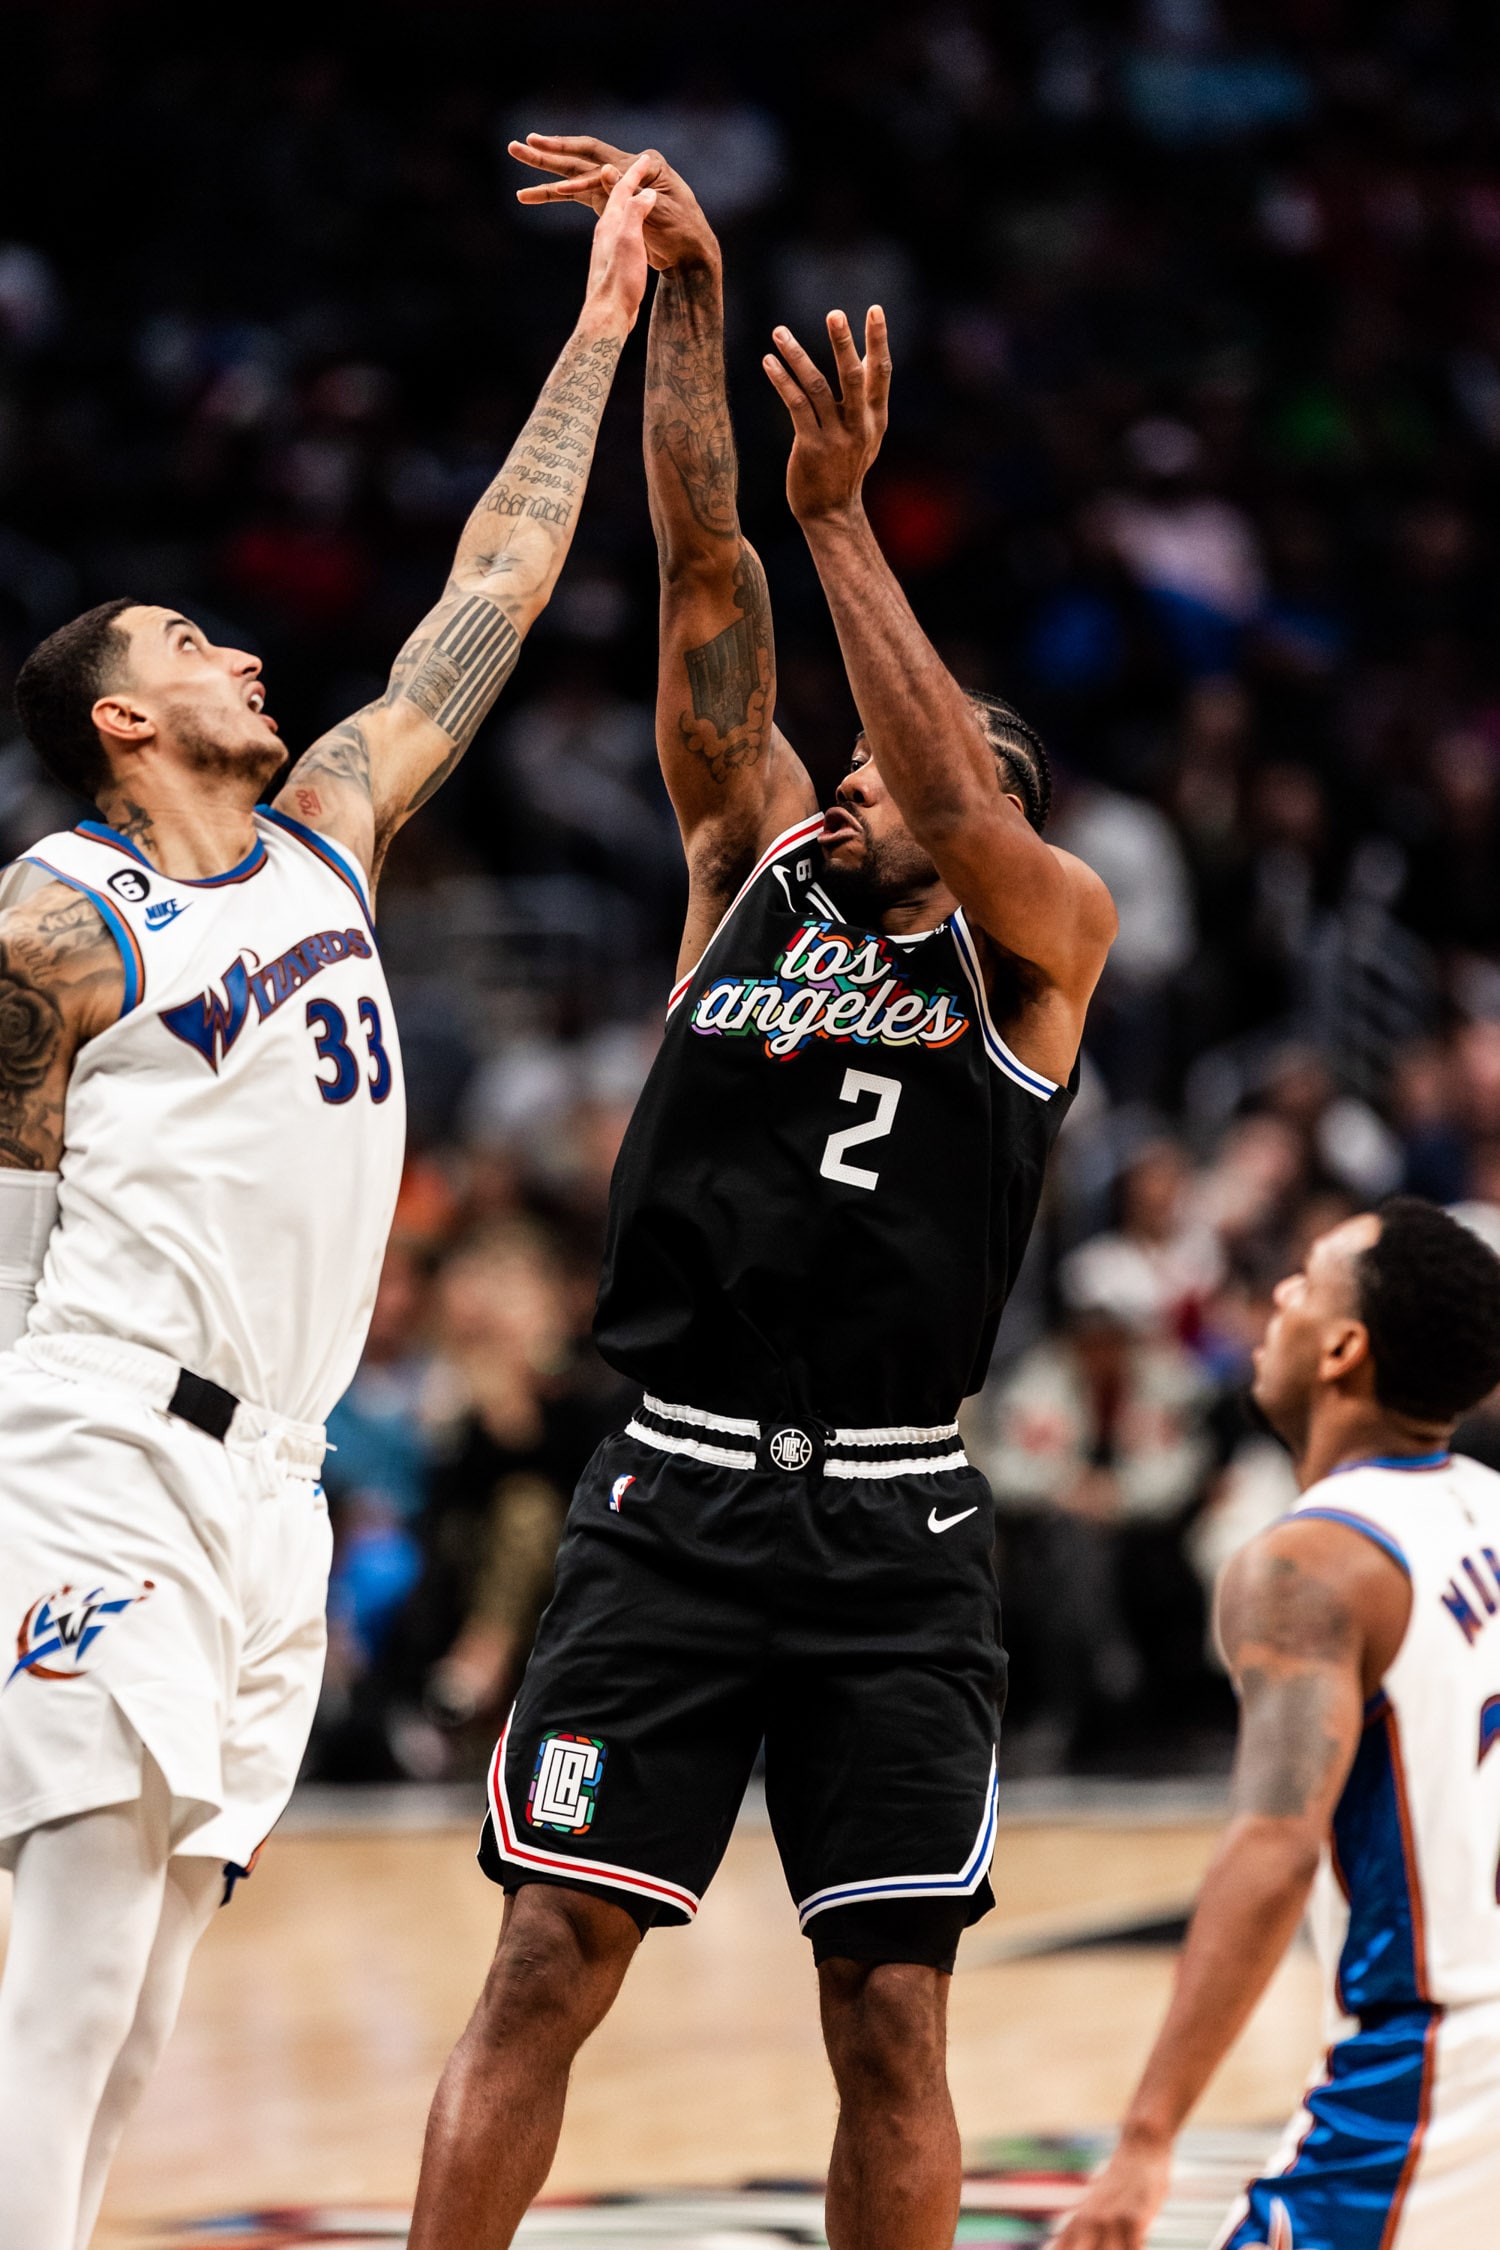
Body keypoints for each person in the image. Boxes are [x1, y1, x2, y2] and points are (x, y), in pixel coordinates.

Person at [406, 138, 1116, 2250]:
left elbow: (950, 771)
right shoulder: (753, 864)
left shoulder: (1039, 937)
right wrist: (690, 313)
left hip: (897, 1525)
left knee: (889, 2009)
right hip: (677, 1495)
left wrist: (851, 528)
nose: (869, 762)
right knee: (548, 1958)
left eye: (922, 750)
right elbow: (707, 564)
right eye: (873, 745)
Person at [0, 160, 657, 2250]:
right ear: (121, 718)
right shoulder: (56, 914)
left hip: (274, 1485)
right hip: (100, 1438)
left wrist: (605, 330)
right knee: (78, 1960)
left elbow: (498, 579)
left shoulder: (333, 829)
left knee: (154, 1985)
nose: (245, 649)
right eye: (193, 641)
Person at [1057, 1195, 1500, 2250]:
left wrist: (1147, 2137)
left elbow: (1272, 1847)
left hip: (1430, 2071)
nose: (1279, 1301)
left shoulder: (1311, 1566)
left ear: (1344, 1348)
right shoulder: (1490, 1501)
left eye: (1305, 1282)